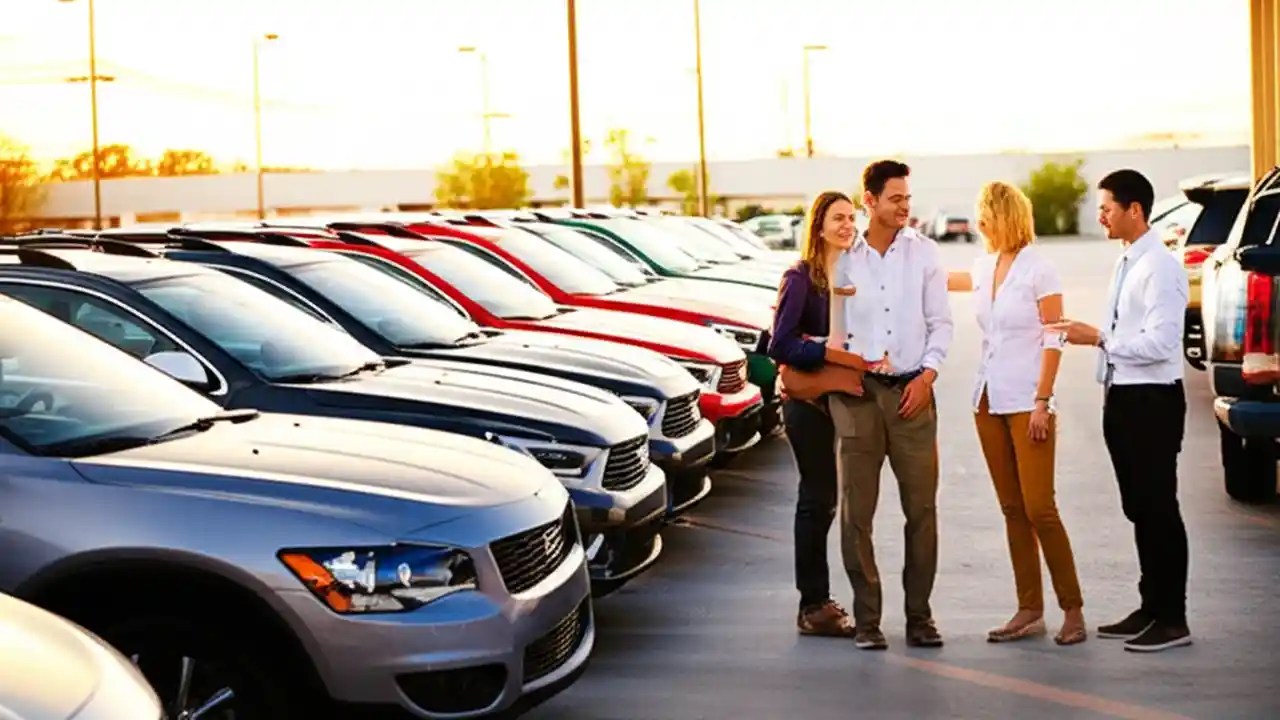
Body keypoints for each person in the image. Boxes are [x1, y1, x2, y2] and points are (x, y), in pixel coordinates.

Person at [1047, 168, 1192, 653]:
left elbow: (1162, 342)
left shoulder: (1161, 267)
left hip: (1152, 401)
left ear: (1135, 210)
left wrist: (1100, 338)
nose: (1100, 216)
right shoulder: (1127, 260)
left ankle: (1173, 619)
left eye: (1107, 207)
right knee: (1140, 509)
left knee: (1158, 508)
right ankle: (1151, 607)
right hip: (1123, 398)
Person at [947, 181, 1087, 646]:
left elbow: (1055, 335)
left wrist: (1044, 400)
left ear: (1005, 216)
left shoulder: (1039, 270)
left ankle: (1073, 609)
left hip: (1029, 401)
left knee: (1040, 508)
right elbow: (940, 280)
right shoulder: (985, 265)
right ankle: (1029, 609)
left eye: (985, 214)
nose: (980, 223)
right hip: (987, 399)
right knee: (1012, 510)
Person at [827, 160, 953, 650]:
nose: (904, 206)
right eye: (895, 198)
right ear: (870, 202)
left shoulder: (924, 254)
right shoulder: (842, 258)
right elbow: (827, 327)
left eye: (907, 198)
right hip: (857, 397)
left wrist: (928, 374)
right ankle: (867, 621)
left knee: (921, 509)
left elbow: (941, 322)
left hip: (912, 393)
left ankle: (919, 617)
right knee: (856, 513)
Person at [766, 190, 858, 637]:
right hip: (804, 404)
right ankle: (813, 605)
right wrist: (826, 350)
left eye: (851, 218)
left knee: (827, 500)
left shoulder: (851, 273)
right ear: (818, 225)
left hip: (835, 398)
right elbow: (778, 345)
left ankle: (820, 600)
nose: (847, 225)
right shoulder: (800, 277)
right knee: (816, 498)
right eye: (838, 217)